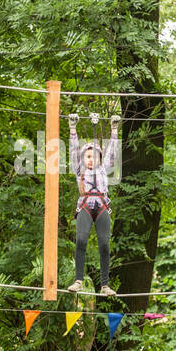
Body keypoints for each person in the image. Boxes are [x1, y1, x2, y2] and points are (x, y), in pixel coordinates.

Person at [67, 112, 120, 296]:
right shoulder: (79, 169)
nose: (91, 160)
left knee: (104, 244)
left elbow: (112, 152)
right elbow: (74, 151)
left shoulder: (104, 168)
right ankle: (78, 281)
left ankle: (105, 285)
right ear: (83, 159)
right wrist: (73, 128)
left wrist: (114, 130)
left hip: (103, 206)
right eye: (88, 157)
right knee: (81, 240)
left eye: (94, 157)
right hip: (86, 206)